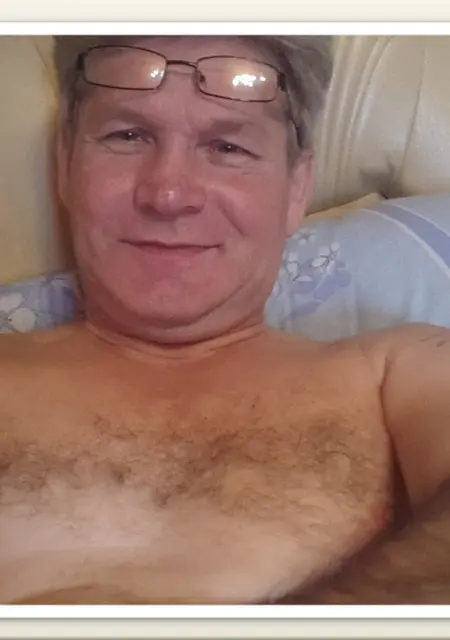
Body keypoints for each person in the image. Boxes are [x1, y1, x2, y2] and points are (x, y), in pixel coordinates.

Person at [1, 34, 450, 606]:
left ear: (296, 188)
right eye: (127, 136)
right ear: (66, 164)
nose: (168, 193)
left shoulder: (400, 374)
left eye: (227, 147)